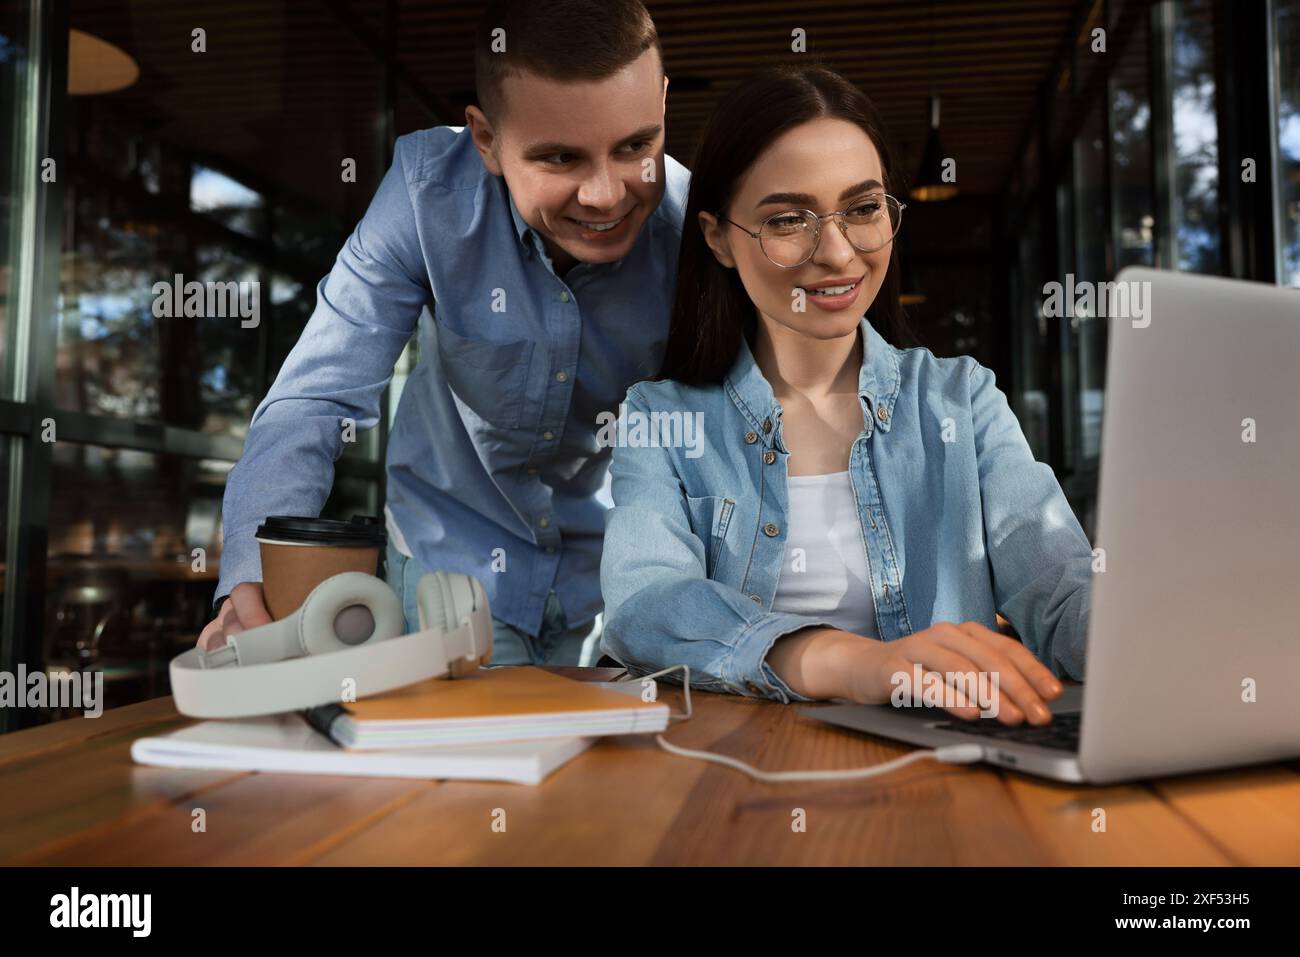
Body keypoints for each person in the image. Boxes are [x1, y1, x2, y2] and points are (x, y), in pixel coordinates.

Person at [599, 63, 1093, 725]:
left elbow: (1063, 592)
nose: (836, 252)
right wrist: (856, 663)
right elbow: (645, 605)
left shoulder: (960, 402)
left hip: (949, 773)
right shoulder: (661, 418)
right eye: (787, 220)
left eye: (861, 209)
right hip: (732, 778)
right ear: (717, 237)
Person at [198, 0, 687, 666]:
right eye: (560, 158)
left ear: (662, 102)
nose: (605, 195)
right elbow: (316, 396)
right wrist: (250, 575)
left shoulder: (700, 233)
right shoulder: (425, 198)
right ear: (486, 140)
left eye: (635, 145)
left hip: (612, 583)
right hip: (447, 572)